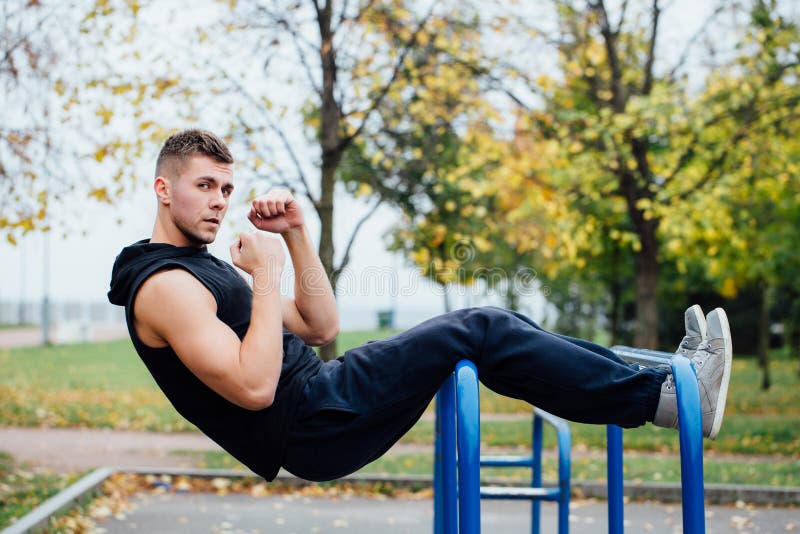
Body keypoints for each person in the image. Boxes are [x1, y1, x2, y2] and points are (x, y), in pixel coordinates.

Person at [108, 129, 733, 483]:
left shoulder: (205, 264)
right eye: (204, 186)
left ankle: (665, 381)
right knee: (482, 327)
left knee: (498, 327)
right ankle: (669, 397)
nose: (219, 201)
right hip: (312, 419)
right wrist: (267, 274)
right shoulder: (163, 285)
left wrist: (296, 237)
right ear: (164, 189)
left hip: (325, 396)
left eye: (226, 188)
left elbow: (321, 325)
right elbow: (252, 387)